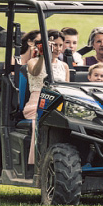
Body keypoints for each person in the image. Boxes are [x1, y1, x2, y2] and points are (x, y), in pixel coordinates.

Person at [22, 30, 69, 165]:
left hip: (58, 104)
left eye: (60, 45)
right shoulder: (33, 62)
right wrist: (43, 56)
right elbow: (35, 72)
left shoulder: (64, 66)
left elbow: (67, 89)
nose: (58, 49)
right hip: (37, 103)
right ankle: (37, 161)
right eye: (54, 45)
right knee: (42, 119)